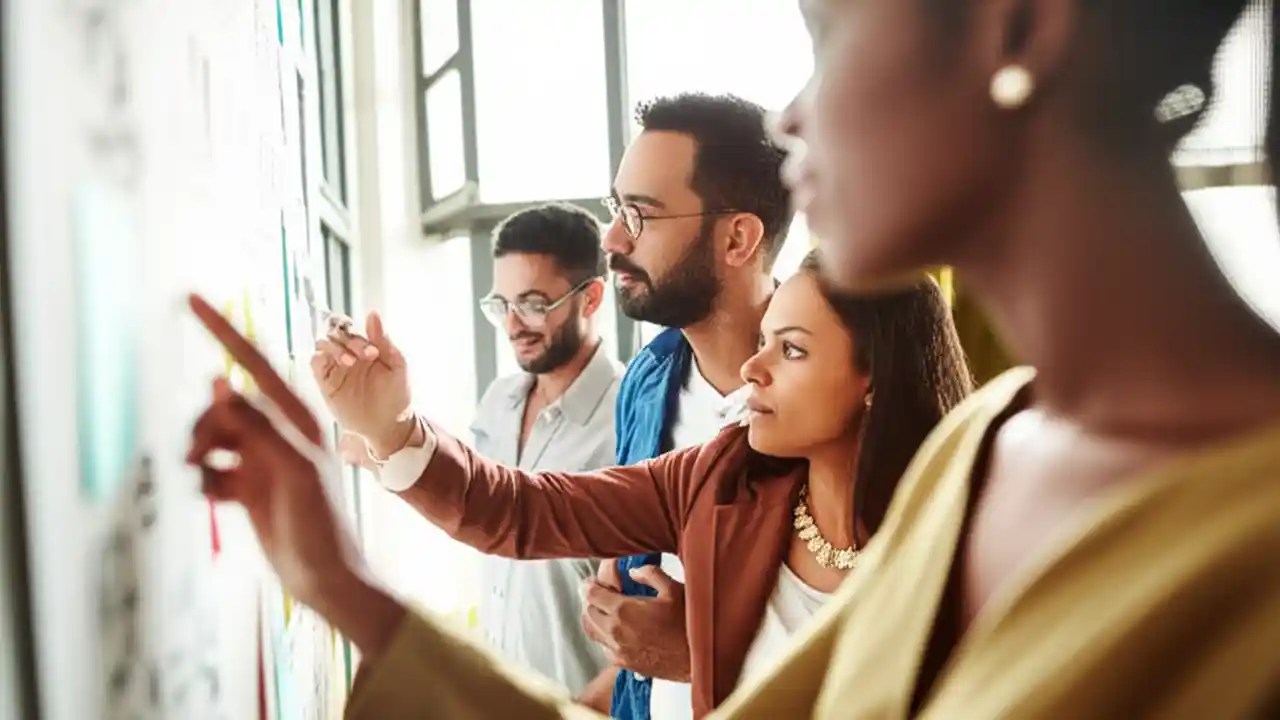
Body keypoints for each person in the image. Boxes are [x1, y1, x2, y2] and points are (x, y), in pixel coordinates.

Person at [189, 0, 1280, 716]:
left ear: (1018, 30)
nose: (796, 112)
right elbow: (531, 510)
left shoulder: (1245, 548)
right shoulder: (977, 455)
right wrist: (338, 581)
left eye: (829, 34)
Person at [188, 247, 971, 717]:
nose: (755, 367)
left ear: (876, 379)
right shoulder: (719, 475)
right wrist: (392, 430)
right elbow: (524, 509)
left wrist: (698, 655)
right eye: (763, 341)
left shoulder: (967, 536)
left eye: (792, 350)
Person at [358, 203, 622, 707]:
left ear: (590, 299)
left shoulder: (632, 418)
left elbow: (648, 635)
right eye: (501, 305)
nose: (513, 324)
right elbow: (469, 501)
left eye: (534, 304)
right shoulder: (499, 402)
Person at [596, 92, 793, 720]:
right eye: (614, 208)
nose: (612, 237)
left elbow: (892, 644)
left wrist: (699, 657)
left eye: (640, 215)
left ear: (737, 238)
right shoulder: (646, 379)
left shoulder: (846, 388)